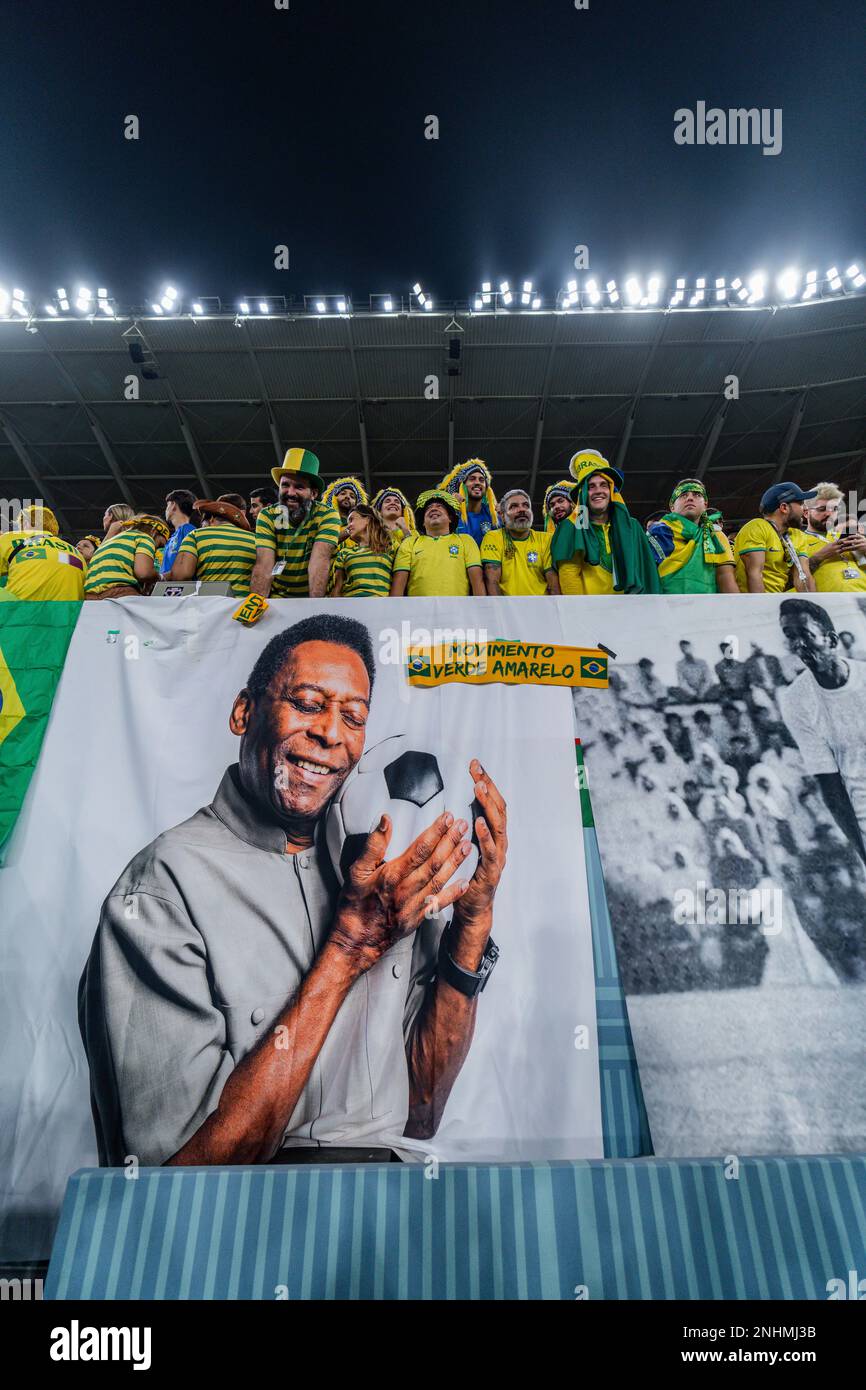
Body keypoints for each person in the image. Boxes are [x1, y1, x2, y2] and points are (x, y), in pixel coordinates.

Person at [79, 613, 508, 1165]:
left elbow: (421, 1112)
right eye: (307, 703)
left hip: (381, 1216)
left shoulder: (382, 877)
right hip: (249, 1232)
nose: (330, 732)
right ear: (243, 712)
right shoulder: (162, 890)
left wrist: (472, 926)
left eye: (353, 717)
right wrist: (348, 950)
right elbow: (178, 1179)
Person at [778, 598, 866, 865]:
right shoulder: (796, 701)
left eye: (805, 634)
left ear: (831, 639)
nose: (798, 645)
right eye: (790, 637)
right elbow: (832, 789)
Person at [551, 450, 661, 594]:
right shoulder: (572, 527)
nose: (598, 491)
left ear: (611, 491)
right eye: (591, 486)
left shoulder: (631, 526)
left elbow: (645, 571)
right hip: (590, 612)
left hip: (630, 610)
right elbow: (569, 574)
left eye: (604, 485)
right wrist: (579, 612)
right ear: (583, 493)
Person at [249, 449, 342, 599]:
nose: (290, 493)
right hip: (279, 597)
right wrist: (254, 609)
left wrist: (314, 610)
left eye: (299, 487)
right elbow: (264, 565)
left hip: (316, 597)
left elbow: (319, 562)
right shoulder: (267, 515)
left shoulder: (327, 515)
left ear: (314, 493)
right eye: (285, 485)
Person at [648, 479, 738, 594]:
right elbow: (645, 574)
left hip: (707, 608)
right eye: (683, 495)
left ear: (705, 504)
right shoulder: (657, 533)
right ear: (672, 506)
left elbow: (726, 578)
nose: (690, 498)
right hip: (663, 606)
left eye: (697, 495)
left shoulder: (715, 536)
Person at [391, 490, 484, 597]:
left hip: (458, 611)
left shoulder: (466, 540)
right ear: (423, 522)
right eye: (428, 508)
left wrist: (482, 609)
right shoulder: (410, 543)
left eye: (439, 506)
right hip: (418, 611)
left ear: (450, 518)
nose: (433, 508)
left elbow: (477, 580)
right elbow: (399, 582)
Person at [733, 482, 816, 593]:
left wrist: (813, 605)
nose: (805, 509)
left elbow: (803, 575)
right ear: (784, 507)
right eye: (801, 503)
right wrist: (762, 609)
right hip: (750, 605)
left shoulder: (797, 535)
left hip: (776, 603)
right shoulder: (757, 527)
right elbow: (754, 574)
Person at [170, 496, 257, 595]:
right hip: (243, 607)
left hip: (209, 605)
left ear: (211, 519)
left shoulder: (196, 535)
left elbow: (181, 575)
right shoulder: (254, 539)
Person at [480, 489, 559, 596]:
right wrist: (498, 611)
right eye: (514, 506)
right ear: (502, 516)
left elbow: (553, 583)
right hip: (507, 609)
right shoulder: (493, 537)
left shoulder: (546, 539)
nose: (522, 509)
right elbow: (492, 581)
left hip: (542, 609)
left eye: (526, 505)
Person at [0, 504, 86, 601]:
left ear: (26, 523)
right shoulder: (76, 553)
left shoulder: (10, 538)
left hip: (20, 611)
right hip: (66, 613)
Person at [799, 482, 866, 593]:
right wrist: (819, 557)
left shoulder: (847, 537)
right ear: (806, 513)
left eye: (834, 509)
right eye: (822, 509)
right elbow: (789, 579)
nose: (829, 514)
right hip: (830, 605)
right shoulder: (794, 540)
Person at [83, 514, 166, 599]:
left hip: (90, 598)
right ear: (154, 531)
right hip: (119, 592)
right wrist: (160, 577)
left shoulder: (109, 541)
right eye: (160, 545)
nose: (156, 550)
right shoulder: (144, 538)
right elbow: (143, 573)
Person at [330, 505, 394, 596]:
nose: (348, 526)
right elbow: (337, 588)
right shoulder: (344, 553)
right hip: (351, 605)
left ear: (367, 519)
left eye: (351, 520)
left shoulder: (390, 548)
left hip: (381, 606)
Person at [440, 459, 499, 545]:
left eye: (481, 480)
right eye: (472, 479)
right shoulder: (452, 514)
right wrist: (451, 509)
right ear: (462, 485)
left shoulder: (494, 515)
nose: (477, 482)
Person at [160, 490, 199, 577]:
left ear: (173, 505)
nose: (166, 510)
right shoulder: (172, 537)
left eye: (167, 506)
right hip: (166, 586)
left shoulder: (188, 530)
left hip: (181, 587)